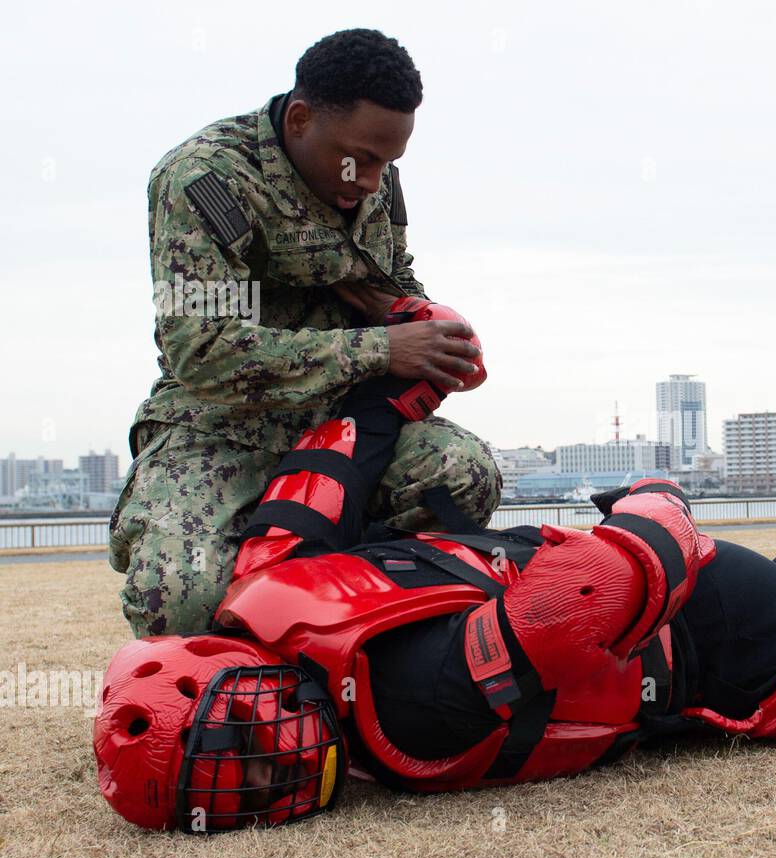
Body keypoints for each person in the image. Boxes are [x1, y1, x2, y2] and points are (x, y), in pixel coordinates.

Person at [95, 391, 776, 832]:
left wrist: (654, 498)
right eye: (235, 785)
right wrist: (397, 383)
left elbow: (605, 585)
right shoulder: (268, 582)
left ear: (224, 666)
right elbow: (328, 466)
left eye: (237, 749)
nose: (267, 774)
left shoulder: (410, 705)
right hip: (707, 621)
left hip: (721, 641)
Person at [108, 28, 501, 641]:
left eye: (387, 163)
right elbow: (202, 350)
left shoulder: (373, 179)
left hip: (345, 422)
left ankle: (363, 641)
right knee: (179, 594)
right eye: (360, 159)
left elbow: (395, 280)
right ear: (298, 119)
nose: (372, 181)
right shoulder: (207, 179)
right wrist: (383, 348)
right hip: (218, 428)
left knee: (461, 473)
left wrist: (419, 321)